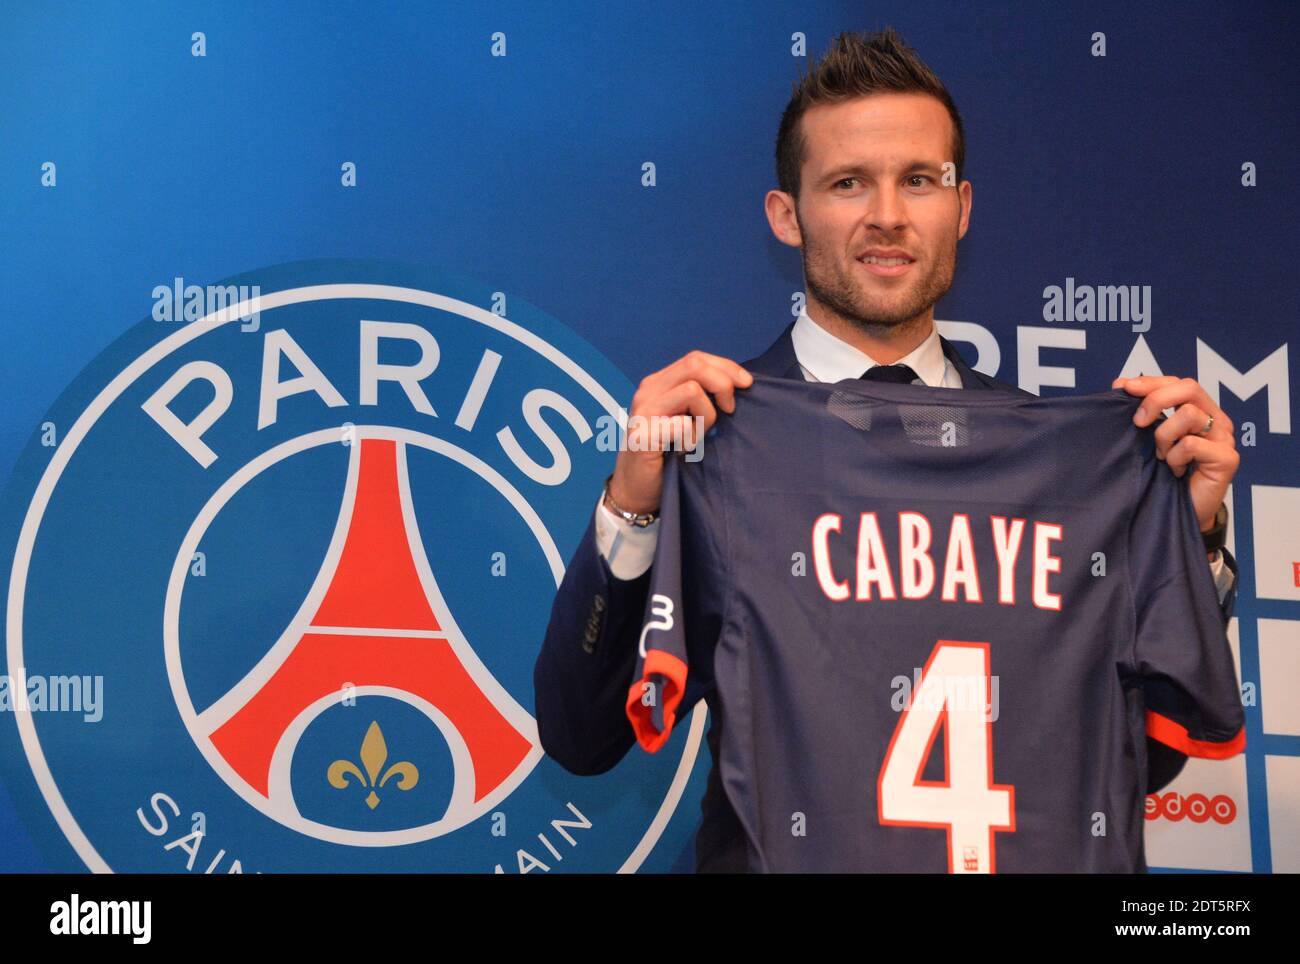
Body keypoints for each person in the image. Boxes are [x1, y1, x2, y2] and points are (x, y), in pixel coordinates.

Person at [532, 28, 1241, 873]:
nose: (889, 216)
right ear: (785, 216)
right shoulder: (716, 443)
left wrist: (1185, 542)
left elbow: (1135, 765)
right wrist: (634, 506)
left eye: (919, 180)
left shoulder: (1068, 470)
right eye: (847, 183)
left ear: (962, 207)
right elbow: (583, 735)